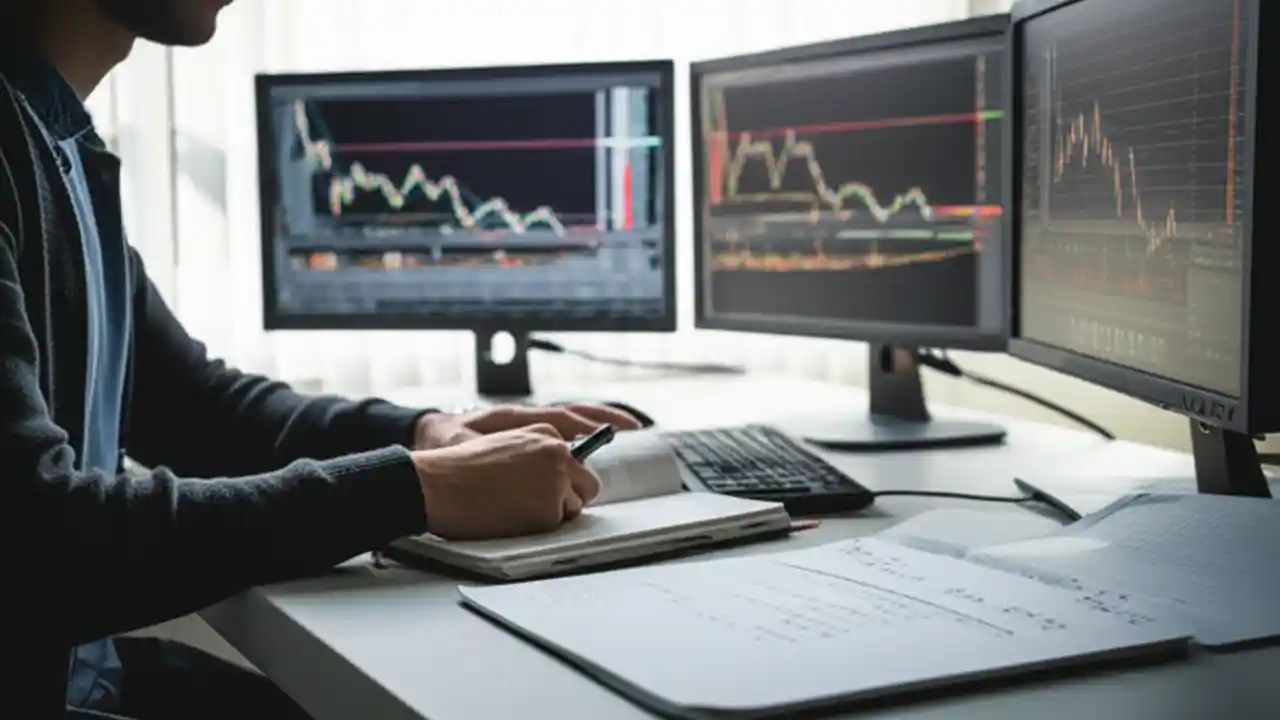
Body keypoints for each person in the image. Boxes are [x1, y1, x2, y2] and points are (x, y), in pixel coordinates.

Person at [0, 1, 643, 717]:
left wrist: (426, 434)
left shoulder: (59, 143)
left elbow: (195, 407)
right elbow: (33, 536)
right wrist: (418, 491)